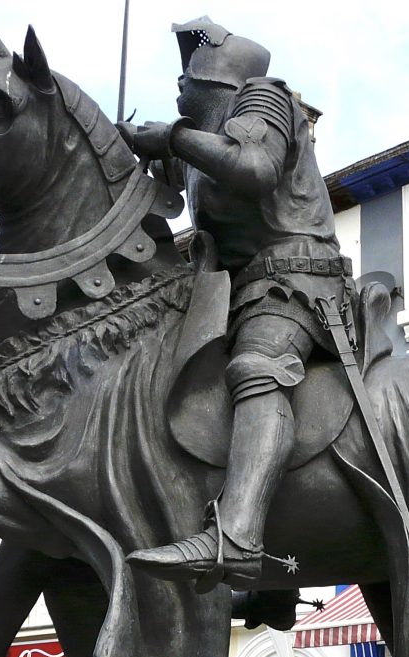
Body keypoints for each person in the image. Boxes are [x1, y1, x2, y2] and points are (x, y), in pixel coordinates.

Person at [122, 16, 355, 590]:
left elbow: (255, 168)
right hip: (230, 293)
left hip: (295, 279)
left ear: (218, 78)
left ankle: (238, 536)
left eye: (189, 73)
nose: (179, 84)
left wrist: (172, 137)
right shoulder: (203, 144)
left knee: (259, 368)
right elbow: (157, 198)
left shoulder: (264, 99)